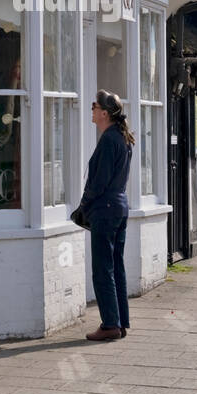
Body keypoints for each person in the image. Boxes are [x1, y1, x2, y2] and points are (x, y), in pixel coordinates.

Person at [77, 89, 134, 342]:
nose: (91, 109)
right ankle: (119, 322)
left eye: (93, 106)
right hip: (119, 208)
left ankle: (110, 324)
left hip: (106, 209)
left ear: (104, 113)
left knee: (103, 269)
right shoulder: (120, 138)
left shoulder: (110, 140)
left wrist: (83, 206)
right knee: (115, 266)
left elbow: (99, 182)